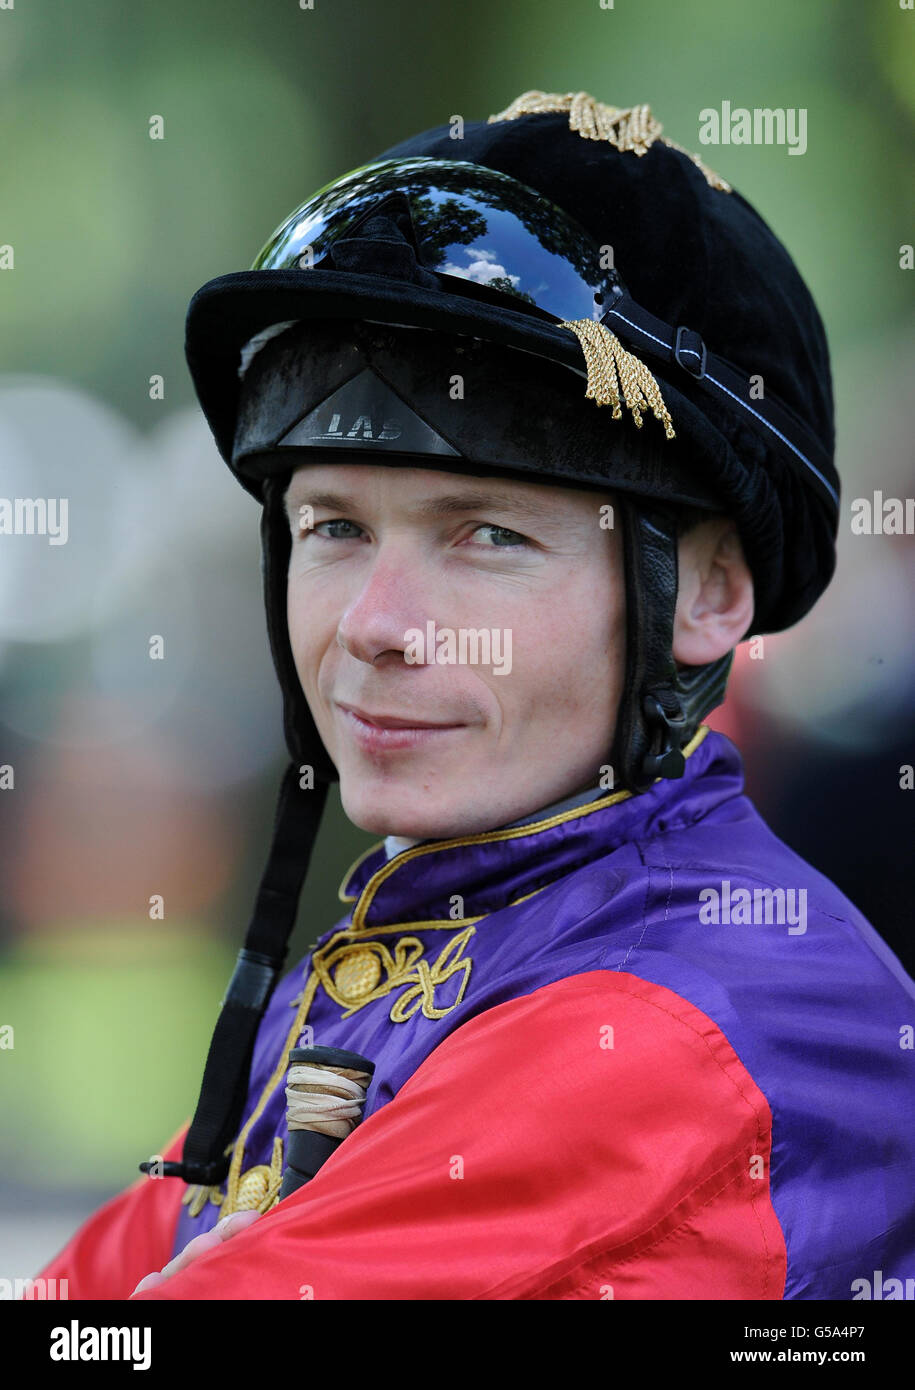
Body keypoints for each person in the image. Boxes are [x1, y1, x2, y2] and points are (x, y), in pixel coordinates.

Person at [37, 90, 915, 1301]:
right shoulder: (410, 954)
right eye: (334, 526)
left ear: (709, 592)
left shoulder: (685, 1021)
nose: (375, 624)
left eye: (488, 536)